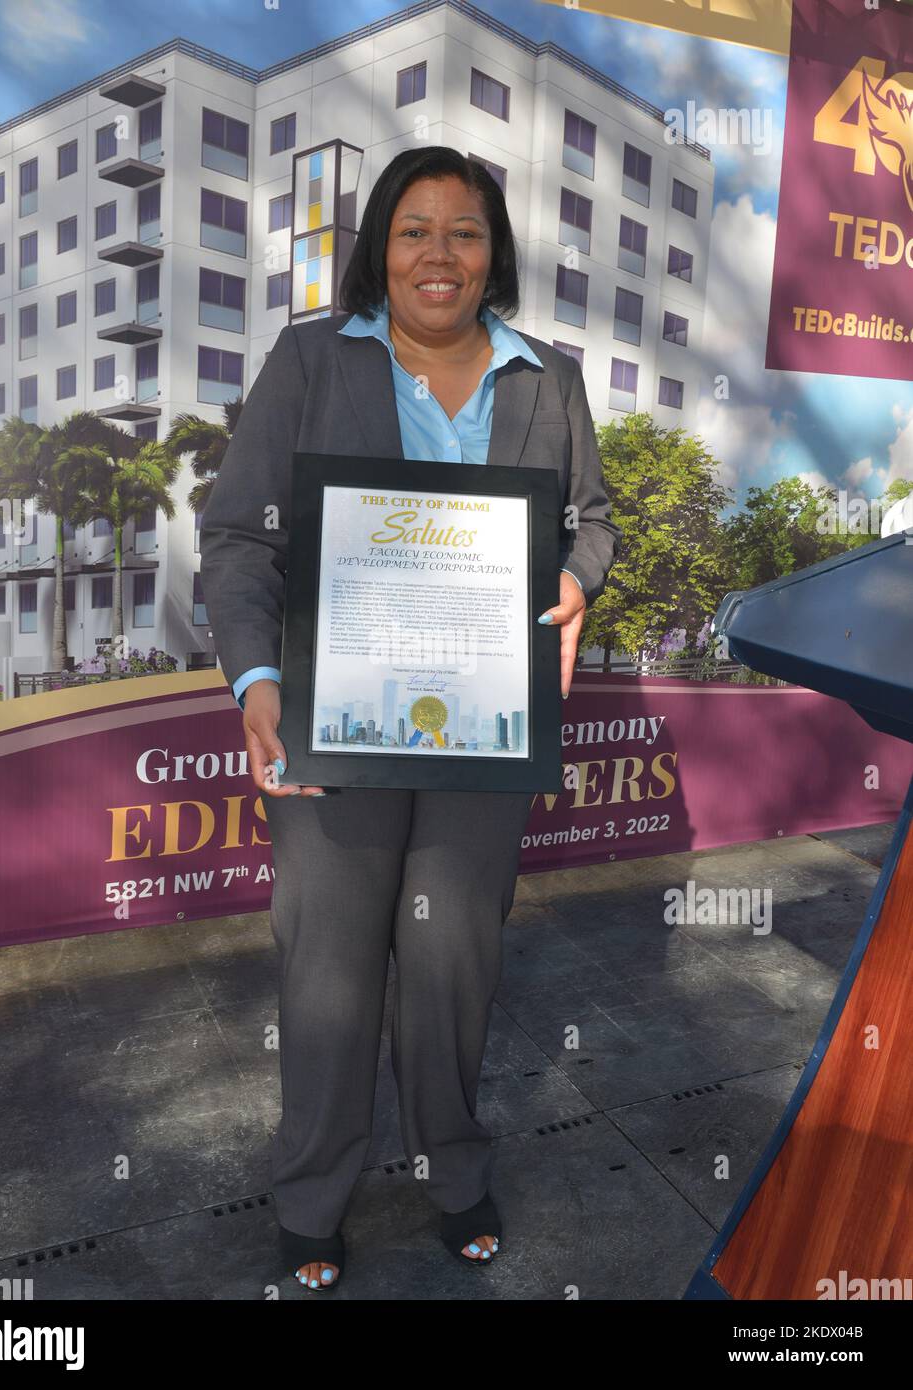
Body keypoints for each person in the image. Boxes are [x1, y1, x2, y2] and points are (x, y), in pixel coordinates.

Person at [199, 146, 622, 1292]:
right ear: (378, 249)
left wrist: (577, 577)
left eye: (466, 232)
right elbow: (241, 538)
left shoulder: (550, 377)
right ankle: (312, 1192)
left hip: (483, 725)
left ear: (496, 255)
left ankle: (452, 1167)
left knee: (452, 957)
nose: (441, 254)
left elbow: (590, 517)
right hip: (336, 715)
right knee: (327, 966)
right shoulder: (308, 359)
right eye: (413, 230)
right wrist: (256, 684)